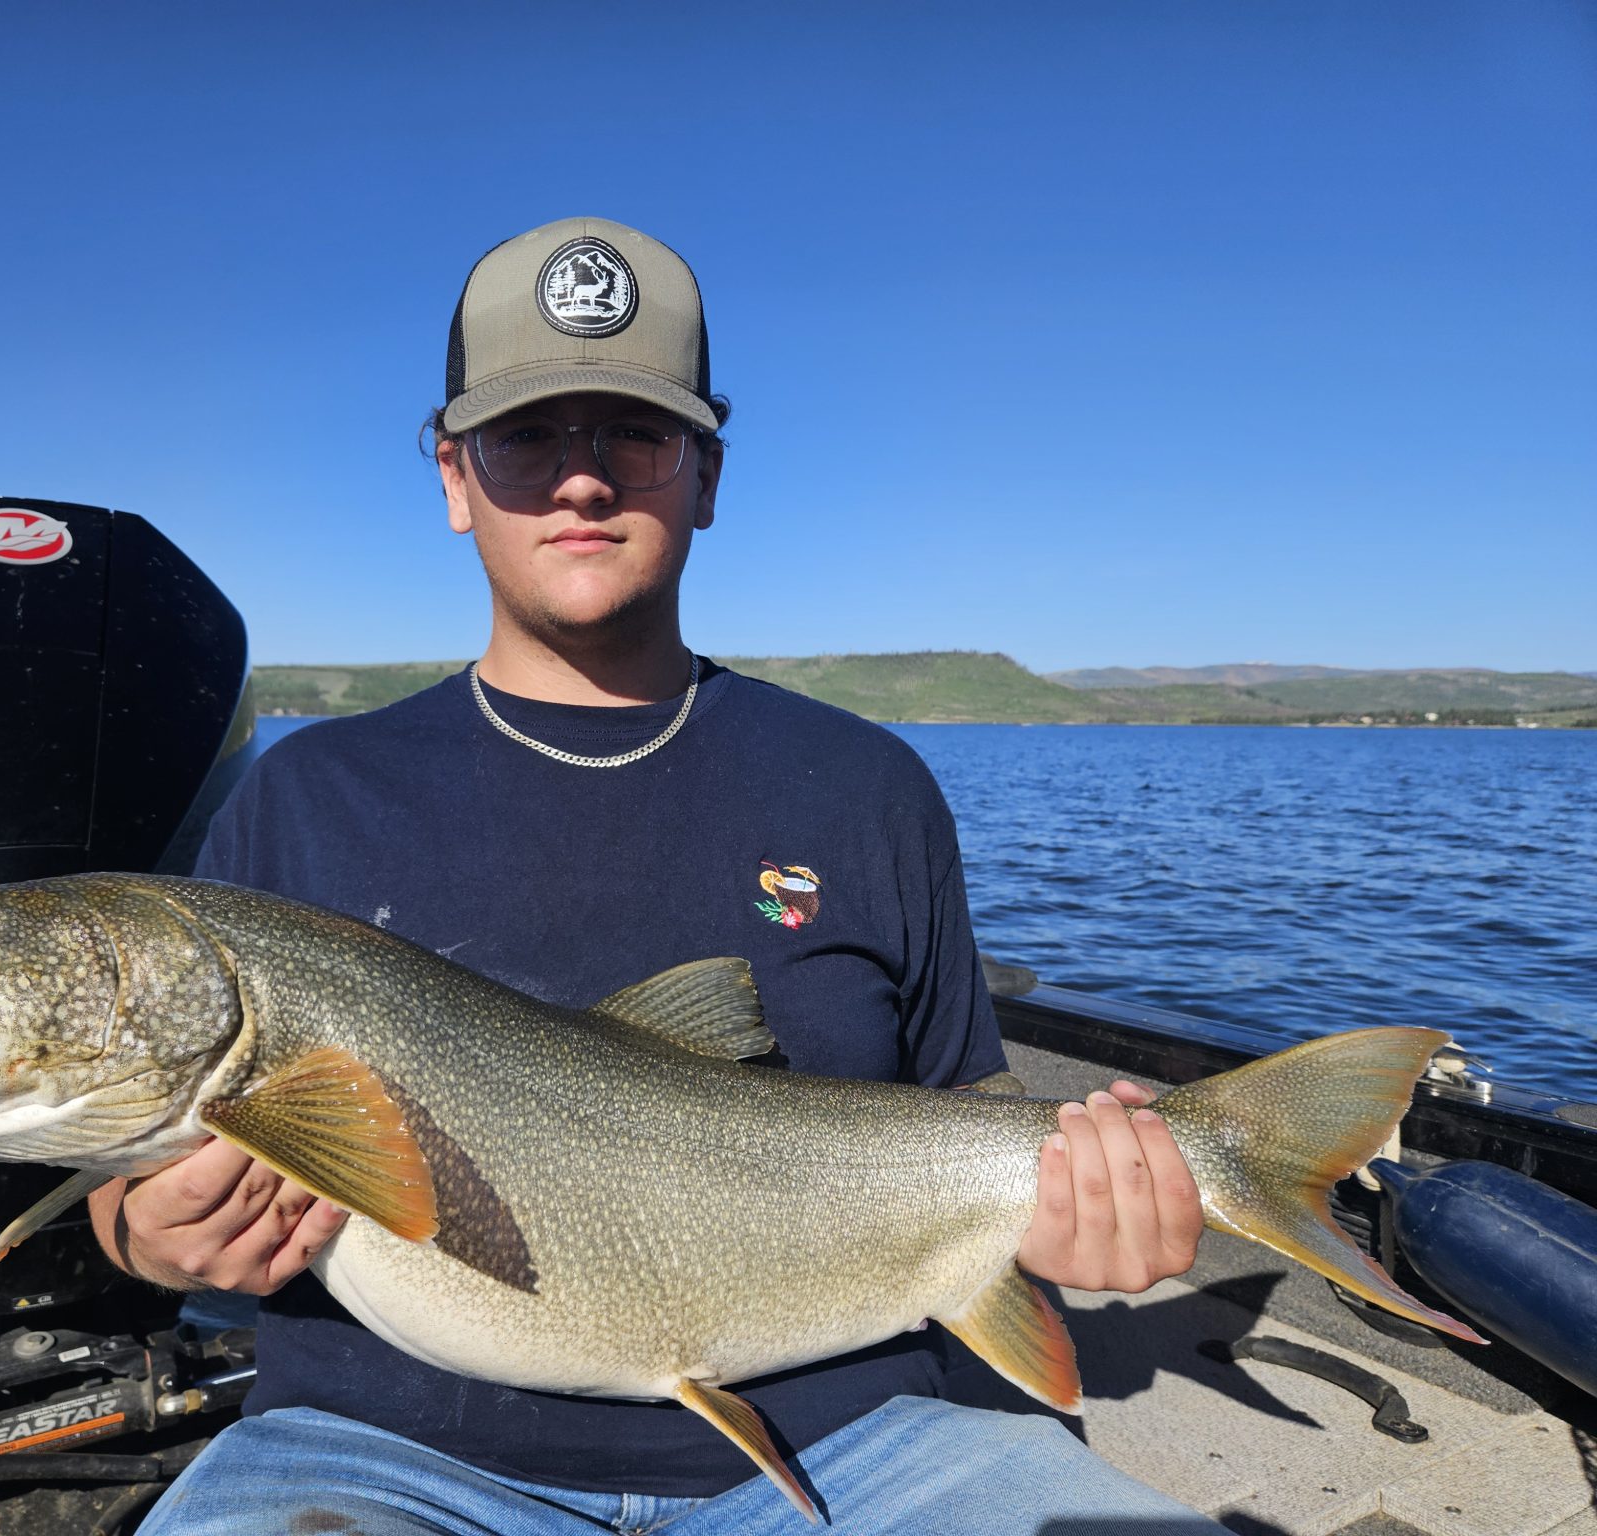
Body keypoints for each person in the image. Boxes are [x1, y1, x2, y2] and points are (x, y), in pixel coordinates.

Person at [92, 217, 1222, 1534]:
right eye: (525, 438)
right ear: (454, 477)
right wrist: (144, 1236)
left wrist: (1086, 1211)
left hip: (862, 1443)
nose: (581, 481)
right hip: (374, 1453)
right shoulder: (302, 796)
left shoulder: (868, 785)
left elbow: (967, 1115)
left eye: (635, 435)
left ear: (707, 474)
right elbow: (125, 1183)